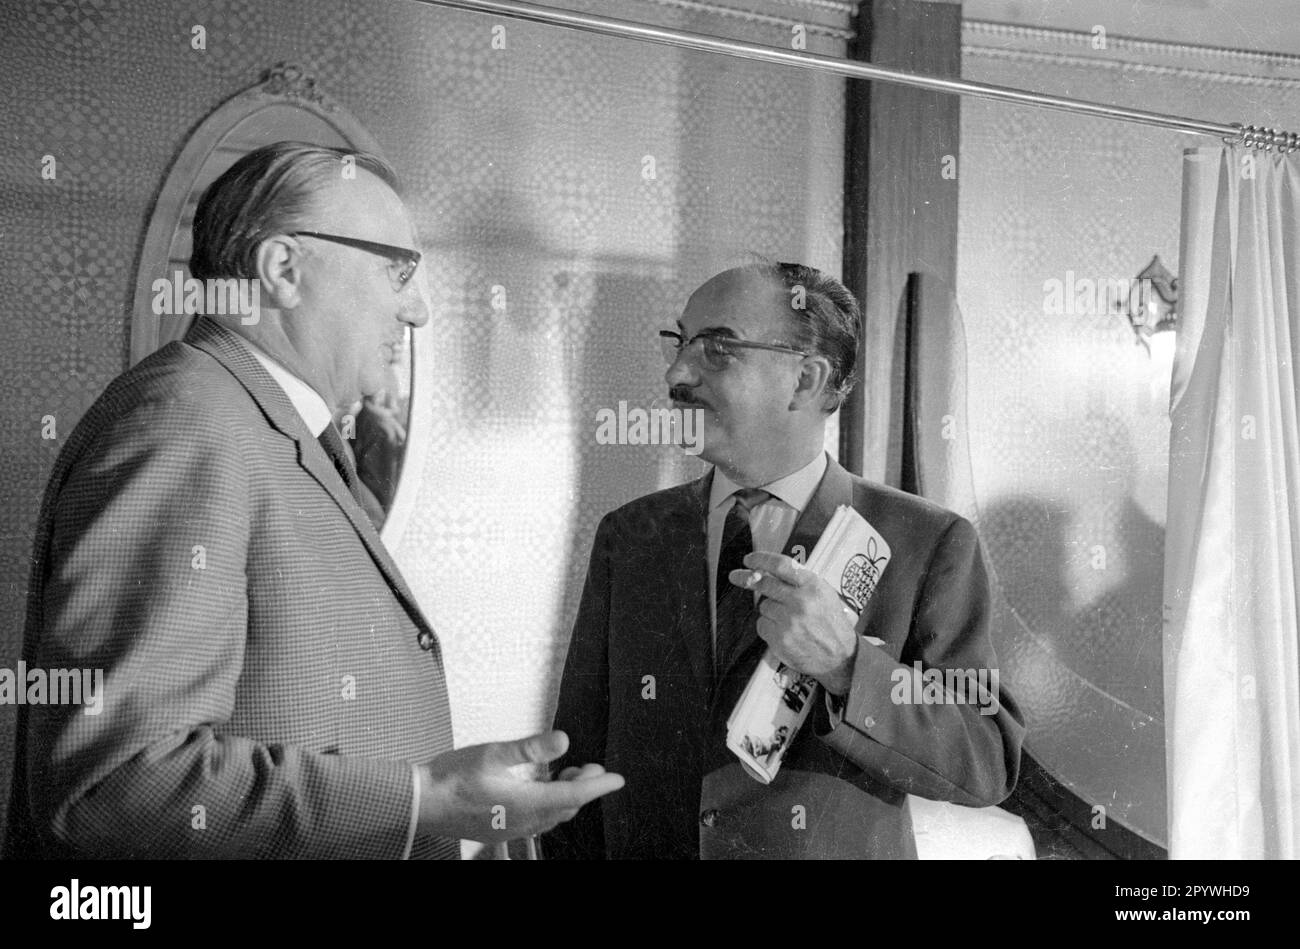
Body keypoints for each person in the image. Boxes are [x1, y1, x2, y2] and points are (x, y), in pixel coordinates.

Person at [5, 141, 620, 859]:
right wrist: (426, 798)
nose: (419, 310)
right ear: (283, 269)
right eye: (399, 272)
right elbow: (116, 784)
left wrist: (449, 801)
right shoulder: (184, 424)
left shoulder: (263, 424)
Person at [545, 262, 1023, 859]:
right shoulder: (633, 536)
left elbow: (987, 756)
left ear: (805, 380)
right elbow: (580, 758)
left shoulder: (927, 542)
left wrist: (849, 668)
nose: (676, 372)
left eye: (717, 348)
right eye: (679, 342)